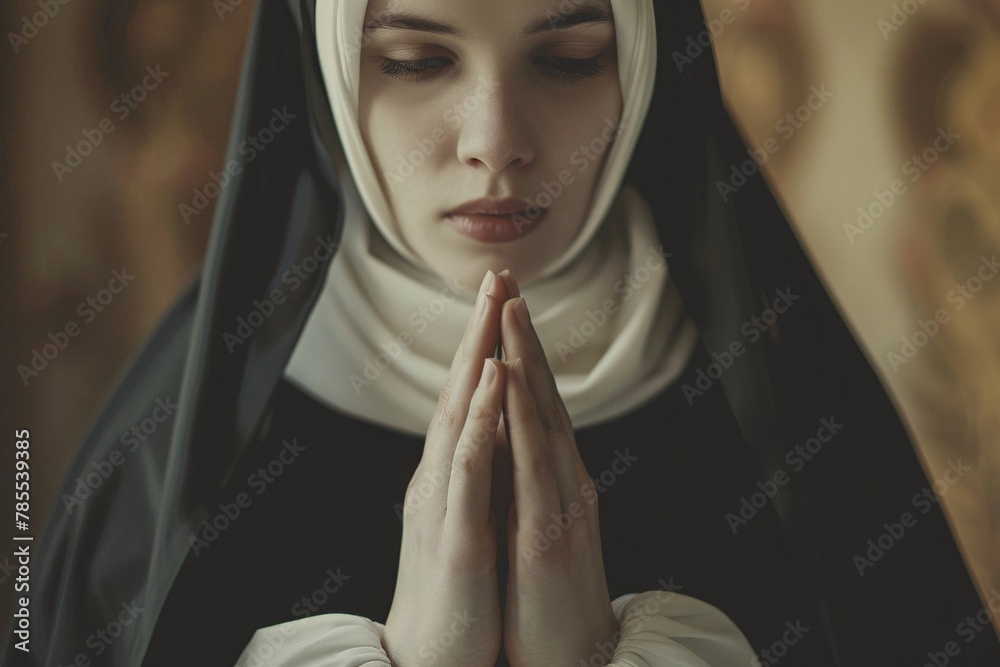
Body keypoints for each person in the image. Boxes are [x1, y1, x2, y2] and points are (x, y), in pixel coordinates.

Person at [6, 0, 998, 665]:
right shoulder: (154, 476)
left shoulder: (798, 425)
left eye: (567, 60)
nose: (495, 138)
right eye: (416, 59)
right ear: (329, 74)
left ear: (645, 69)